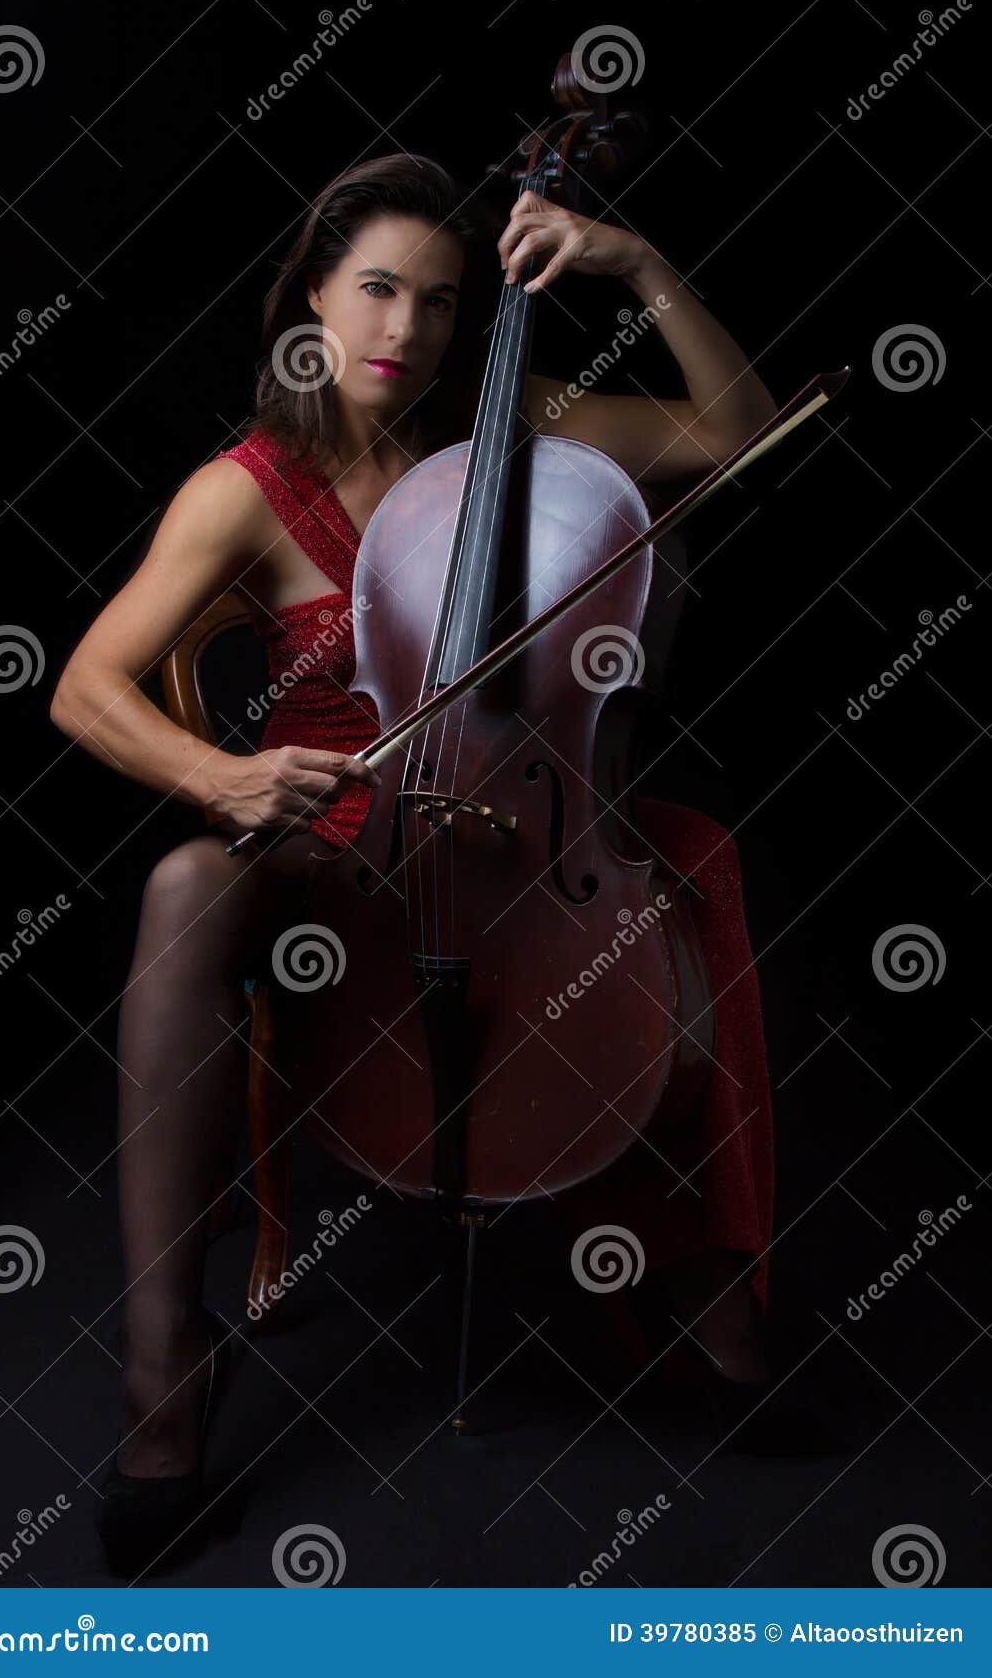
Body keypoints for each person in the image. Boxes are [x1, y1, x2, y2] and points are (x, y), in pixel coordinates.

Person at [50, 152, 817, 1573]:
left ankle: (698, 1263)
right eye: (379, 290)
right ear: (314, 303)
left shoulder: (513, 426)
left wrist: (636, 264)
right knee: (180, 884)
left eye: (442, 302)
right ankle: (169, 1367)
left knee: (679, 880)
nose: (407, 330)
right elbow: (84, 684)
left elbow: (735, 427)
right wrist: (225, 776)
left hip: (521, 838)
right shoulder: (248, 489)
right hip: (343, 845)